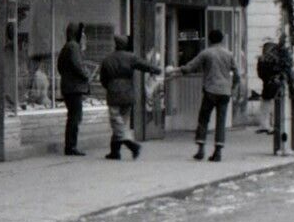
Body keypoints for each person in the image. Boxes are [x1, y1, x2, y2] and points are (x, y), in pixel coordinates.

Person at [97, 34, 164, 160]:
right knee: (122, 122)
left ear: (115, 44)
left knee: (117, 122)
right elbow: (144, 65)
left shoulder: (107, 59)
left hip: (113, 93)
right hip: (128, 92)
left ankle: (131, 145)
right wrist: (156, 70)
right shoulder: (130, 57)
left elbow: (103, 79)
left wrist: (110, 86)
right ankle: (115, 152)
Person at [178, 28, 240, 162]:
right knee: (221, 121)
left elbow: (191, 67)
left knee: (204, 119)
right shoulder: (228, 54)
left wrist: (179, 70)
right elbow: (237, 74)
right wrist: (232, 88)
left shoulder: (206, 53)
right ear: (222, 39)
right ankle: (218, 151)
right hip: (224, 92)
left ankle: (200, 149)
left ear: (209, 39)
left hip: (210, 90)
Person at [56, 22, 92, 156]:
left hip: (68, 86)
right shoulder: (73, 46)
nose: (82, 36)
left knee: (73, 116)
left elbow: (59, 67)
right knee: (75, 117)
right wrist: (86, 75)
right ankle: (71, 146)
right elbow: (78, 65)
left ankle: (70, 145)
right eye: (80, 33)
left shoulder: (66, 47)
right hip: (74, 88)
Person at [256, 40, 281, 136]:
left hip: (266, 85)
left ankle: (264, 126)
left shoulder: (262, 60)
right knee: (273, 106)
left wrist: (266, 79)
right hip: (275, 85)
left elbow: (260, 73)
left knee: (265, 106)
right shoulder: (276, 60)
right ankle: (273, 125)